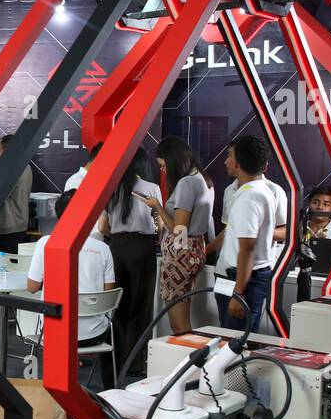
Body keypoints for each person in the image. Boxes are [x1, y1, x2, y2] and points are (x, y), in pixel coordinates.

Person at [26, 189, 118, 364]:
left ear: (58, 213)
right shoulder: (103, 248)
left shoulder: (45, 243)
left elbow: (32, 287)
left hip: (54, 332)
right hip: (95, 334)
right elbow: (108, 294)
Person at [137, 135, 214, 334]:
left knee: (178, 322)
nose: (163, 171)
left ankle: (186, 360)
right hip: (194, 250)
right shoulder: (203, 180)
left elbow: (178, 228)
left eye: (164, 166)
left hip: (180, 255)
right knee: (181, 314)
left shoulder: (187, 183)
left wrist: (157, 207)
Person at [98, 147, 161, 377]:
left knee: (117, 304)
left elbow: (103, 227)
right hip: (143, 249)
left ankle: (115, 355)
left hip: (117, 247)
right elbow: (160, 224)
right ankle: (134, 363)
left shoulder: (113, 186)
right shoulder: (151, 188)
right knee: (141, 306)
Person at [215, 135, 278, 332]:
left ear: (240, 161)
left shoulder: (250, 197)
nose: (226, 161)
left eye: (230, 155)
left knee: (235, 344)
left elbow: (247, 249)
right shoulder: (256, 191)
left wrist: (238, 293)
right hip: (237, 277)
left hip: (243, 281)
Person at [209, 136, 289, 279]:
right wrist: (206, 252)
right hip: (225, 268)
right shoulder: (230, 190)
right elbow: (229, 229)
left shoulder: (274, 191)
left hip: (252, 271)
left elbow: (286, 231)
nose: (226, 162)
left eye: (230, 156)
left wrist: (256, 232)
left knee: (241, 301)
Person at [0, 132, 33, 265]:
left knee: (3, 270)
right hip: (18, 225)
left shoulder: (9, 168)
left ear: (6, 150)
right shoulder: (26, 165)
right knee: (13, 268)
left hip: (6, 227)